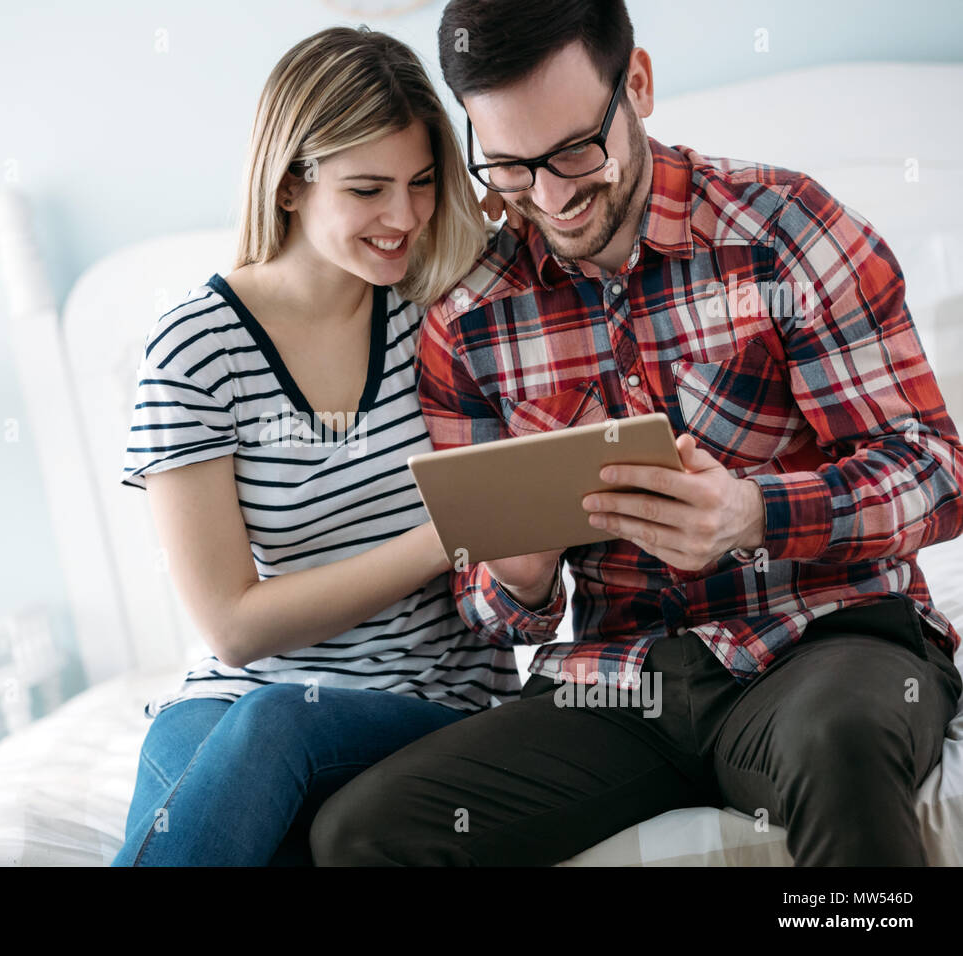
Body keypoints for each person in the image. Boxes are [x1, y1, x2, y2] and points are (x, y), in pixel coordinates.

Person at [310, 0, 963, 866]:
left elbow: (937, 469)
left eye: (575, 152)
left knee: (835, 745)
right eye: (507, 166)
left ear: (640, 86)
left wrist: (752, 514)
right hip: (618, 690)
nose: (549, 198)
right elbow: (489, 608)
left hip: (822, 643)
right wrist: (519, 571)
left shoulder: (783, 229)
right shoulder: (468, 317)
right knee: (361, 834)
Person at [111, 25, 498, 866]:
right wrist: (446, 536)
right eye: (368, 189)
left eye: (423, 183)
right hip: (236, 700)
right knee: (213, 783)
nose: (405, 218)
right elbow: (234, 629)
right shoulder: (194, 351)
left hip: (423, 701)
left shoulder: (444, 316)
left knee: (273, 727)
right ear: (290, 184)